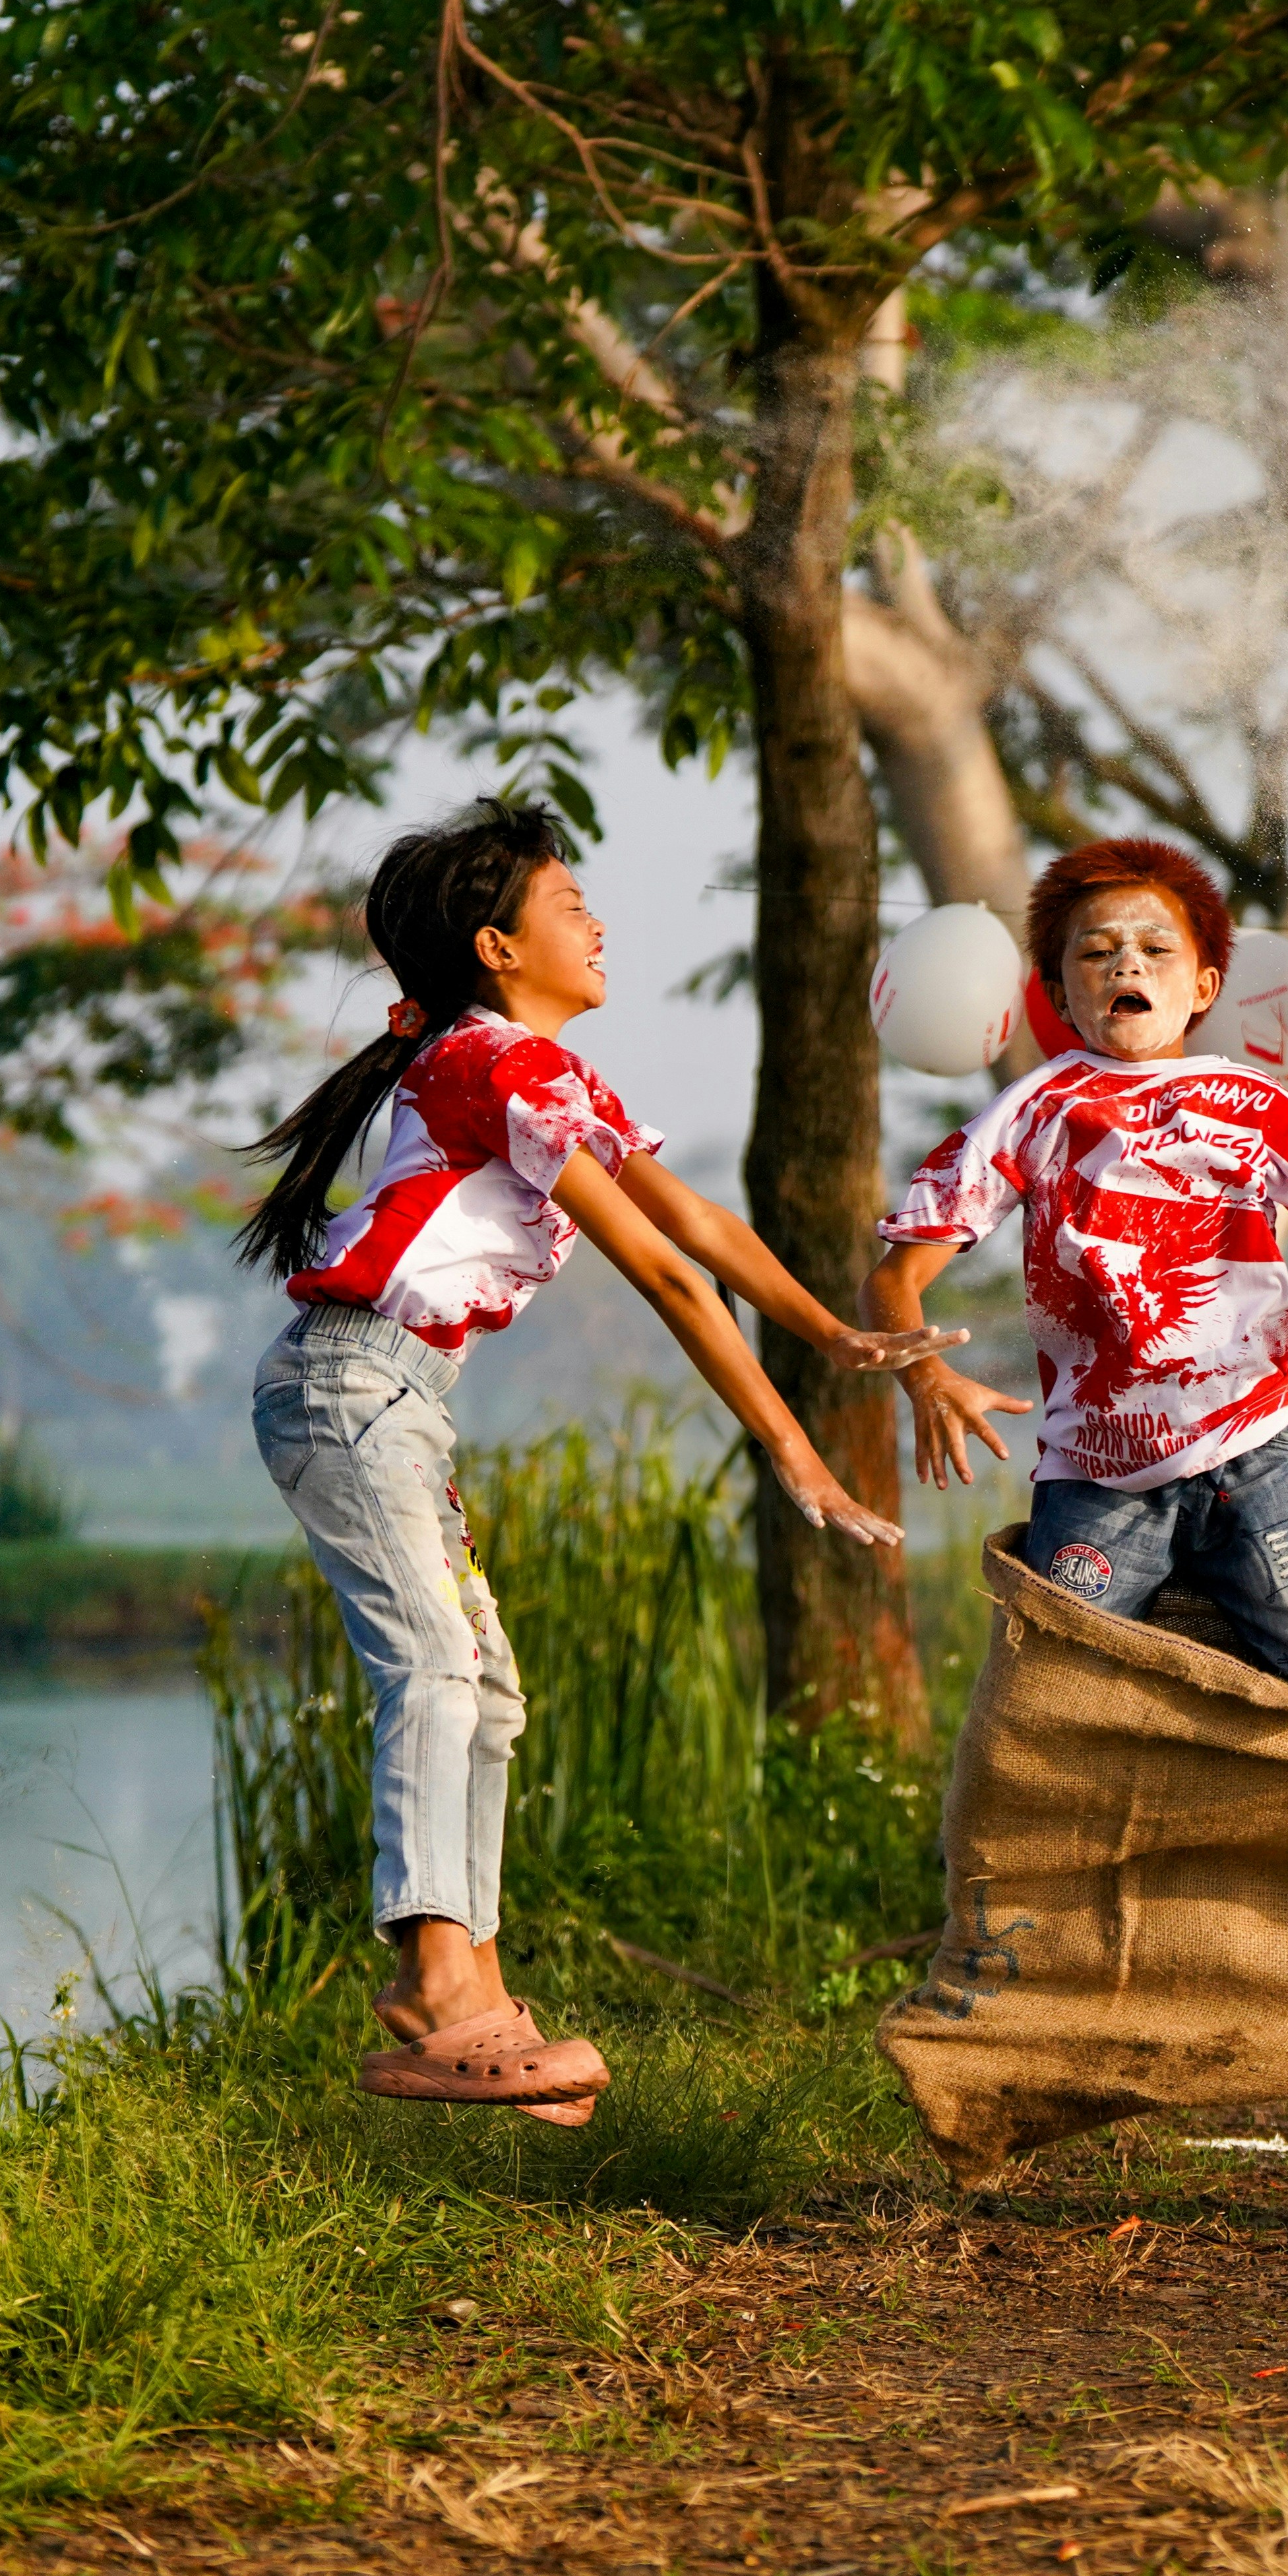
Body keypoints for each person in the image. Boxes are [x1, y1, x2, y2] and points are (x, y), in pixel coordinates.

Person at [242, 798, 950, 2121]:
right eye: (571, 904)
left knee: (489, 1691)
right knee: (435, 1665)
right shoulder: (489, 1064)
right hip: (349, 1386)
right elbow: (670, 1276)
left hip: (398, 1395)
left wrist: (834, 1332)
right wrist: (796, 1453)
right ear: (498, 944)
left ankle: (484, 2002)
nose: (599, 920)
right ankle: (430, 1981)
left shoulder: (530, 1068)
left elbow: (694, 1216)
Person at [869, 837, 1288, 1689]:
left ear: (1202, 987)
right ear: (1059, 992)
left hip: (1258, 1445)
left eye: (1156, 949)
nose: (1128, 961)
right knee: (1058, 1691)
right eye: (1095, 951)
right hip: (1093, 1470)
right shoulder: (1033, 1112)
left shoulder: (1258, 1106)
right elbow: (896, 1277)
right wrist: (925, 1378)